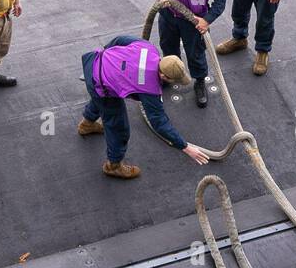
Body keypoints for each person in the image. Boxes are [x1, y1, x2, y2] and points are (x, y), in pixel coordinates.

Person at [78, 36, 210, 178]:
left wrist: (110, 59)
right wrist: (186, 147)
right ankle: (113, 166)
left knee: (103, 97)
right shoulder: (149, 88)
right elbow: (159, 122)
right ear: (163, 76)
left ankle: (87, 124)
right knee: (118, 126)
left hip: (95, 61)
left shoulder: (148, 48)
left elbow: (119, 40)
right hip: (100, 82)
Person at [156, 0, 227, 107]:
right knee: (168, 47)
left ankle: (200, 82)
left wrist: (207, 20)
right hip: (169, 15)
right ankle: (169, 74)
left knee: (195, 53)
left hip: (194, 20)